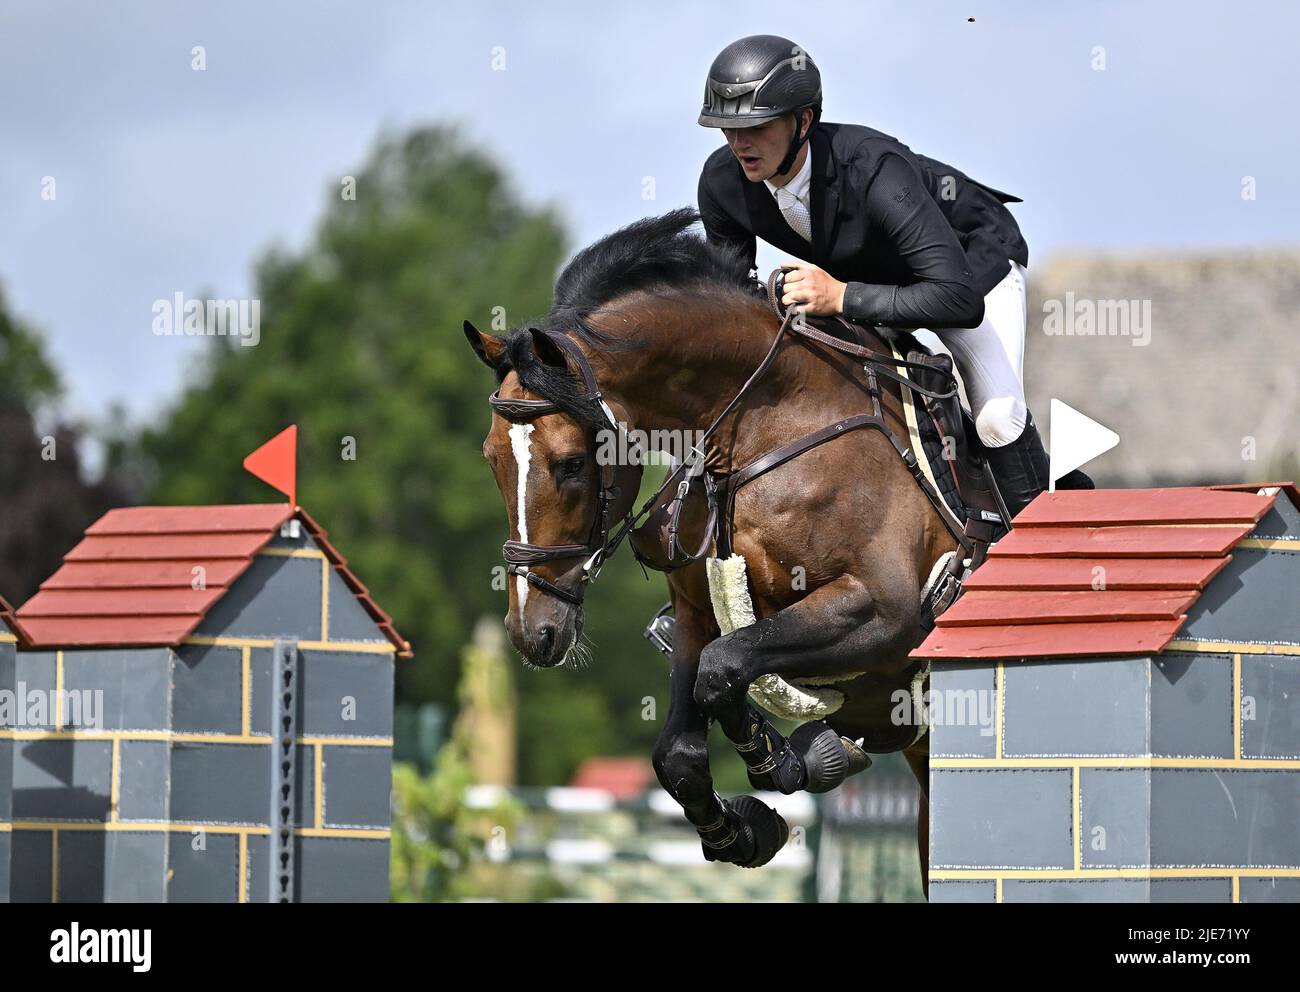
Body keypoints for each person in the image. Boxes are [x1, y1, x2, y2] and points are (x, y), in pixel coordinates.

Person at [695, 34, 1092, 516]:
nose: (739, 143)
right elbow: (731, 303)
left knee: (995, 417)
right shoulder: (722, 182)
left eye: (756, 126)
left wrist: (840, 297)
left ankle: (1046, 551)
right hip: (875, 281)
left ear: (803, 121)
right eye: (727, 129)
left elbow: (959, 302)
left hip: (968, 267)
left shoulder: (874, 168)